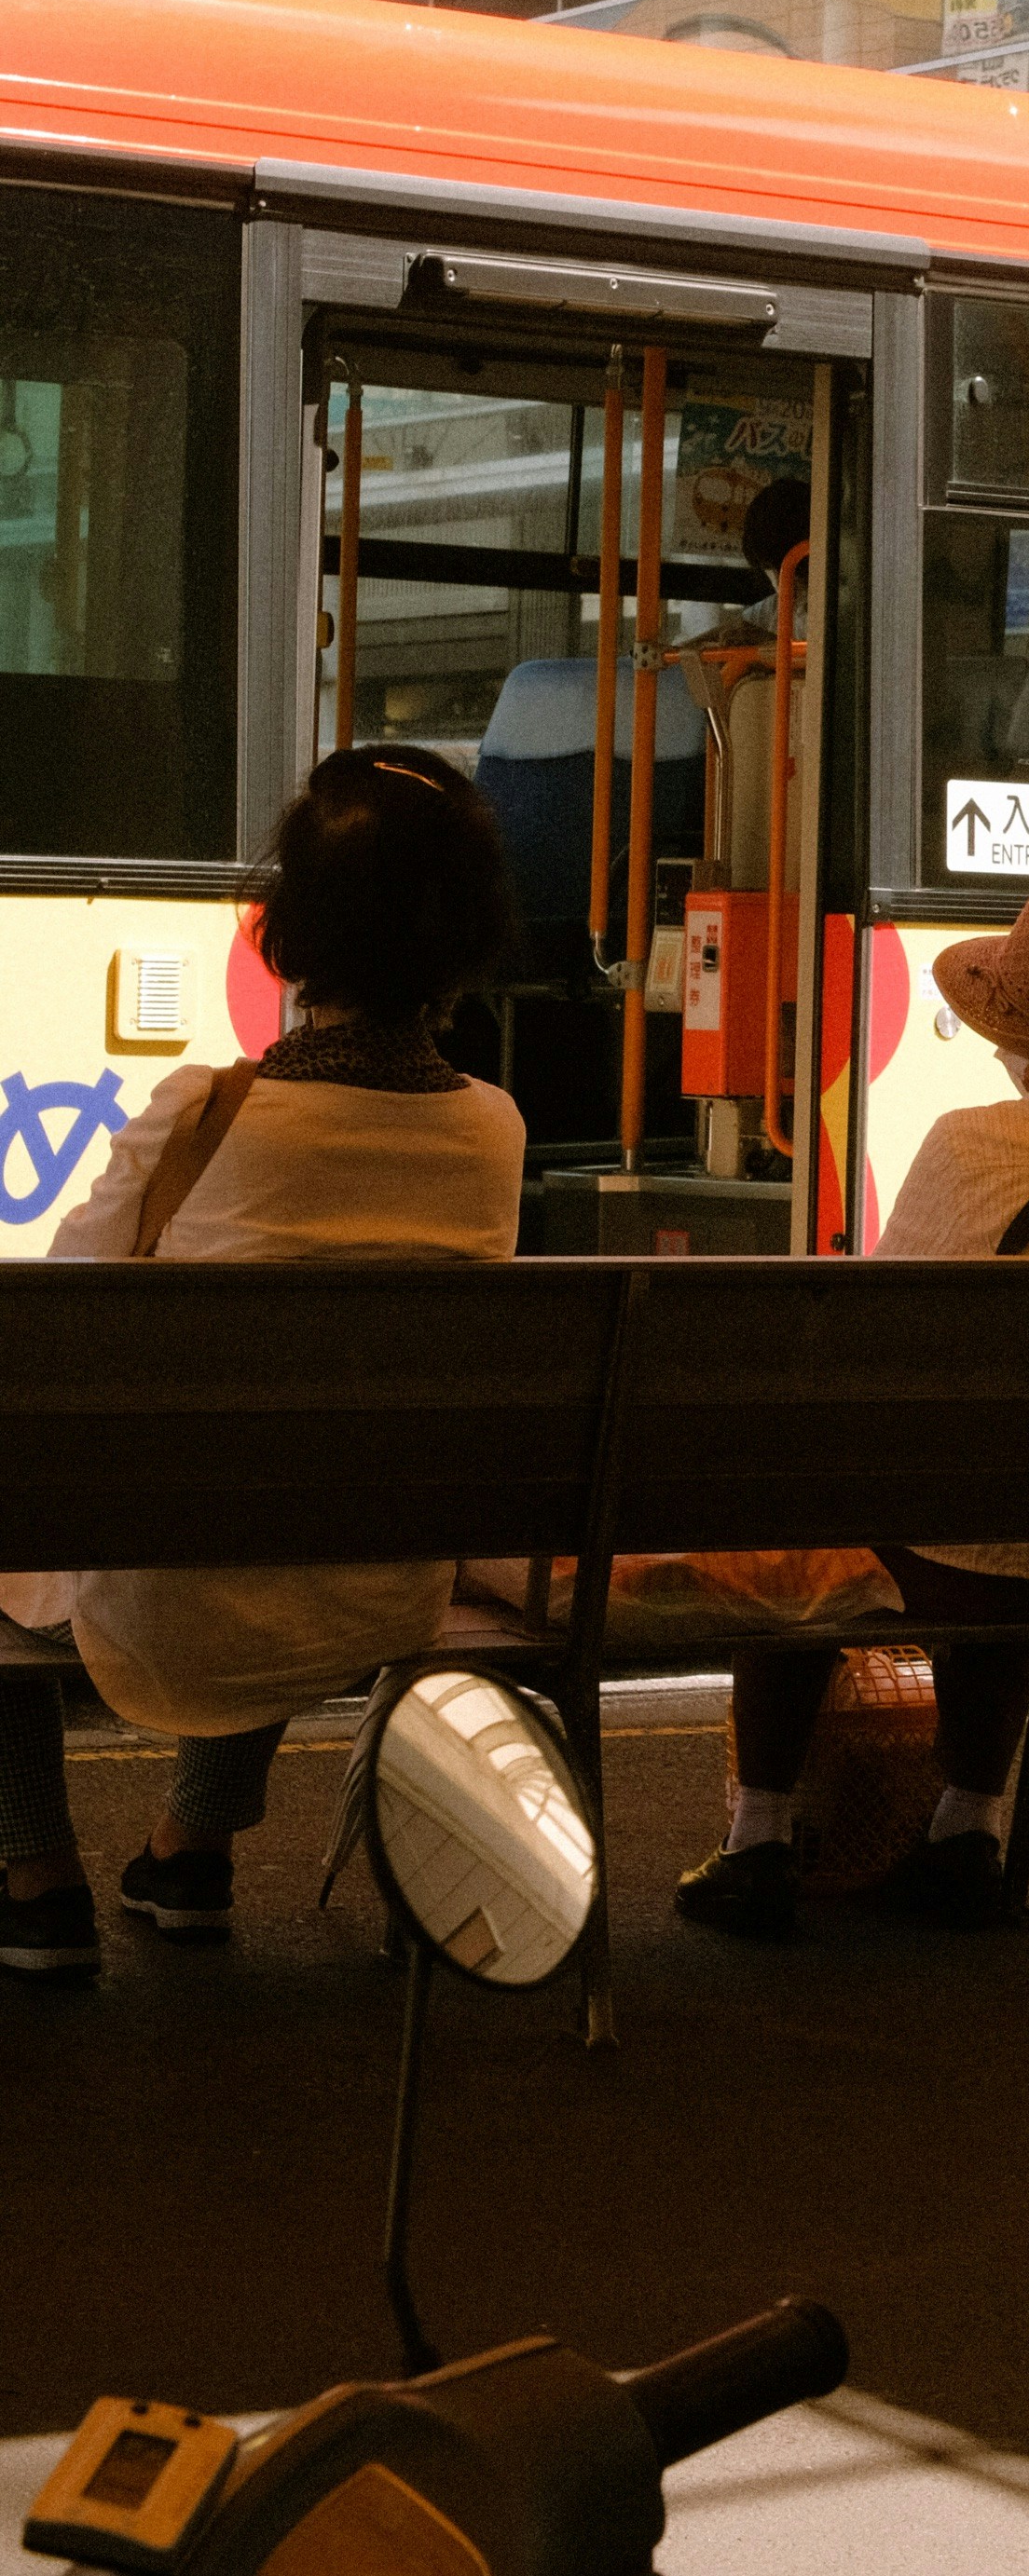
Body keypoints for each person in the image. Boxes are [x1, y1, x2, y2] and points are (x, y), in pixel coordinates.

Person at [0, 748, 526, 1983]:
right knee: (306, 1477)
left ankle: (32, 1878)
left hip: (167, 1587)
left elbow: (62, 1316)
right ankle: (188, 1849)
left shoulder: (205, 1113)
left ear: (292, 927)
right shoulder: (492, 1132)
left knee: (190, 1499)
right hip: (376, 1581)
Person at [678, 872, 1029, 1942]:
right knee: (1026, 1503)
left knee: (813, 1506)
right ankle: (965, 1834)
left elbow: (872, 1358)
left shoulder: (964, 1146)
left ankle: (758, 1839)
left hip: (954, 1563)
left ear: (1021, 1033)